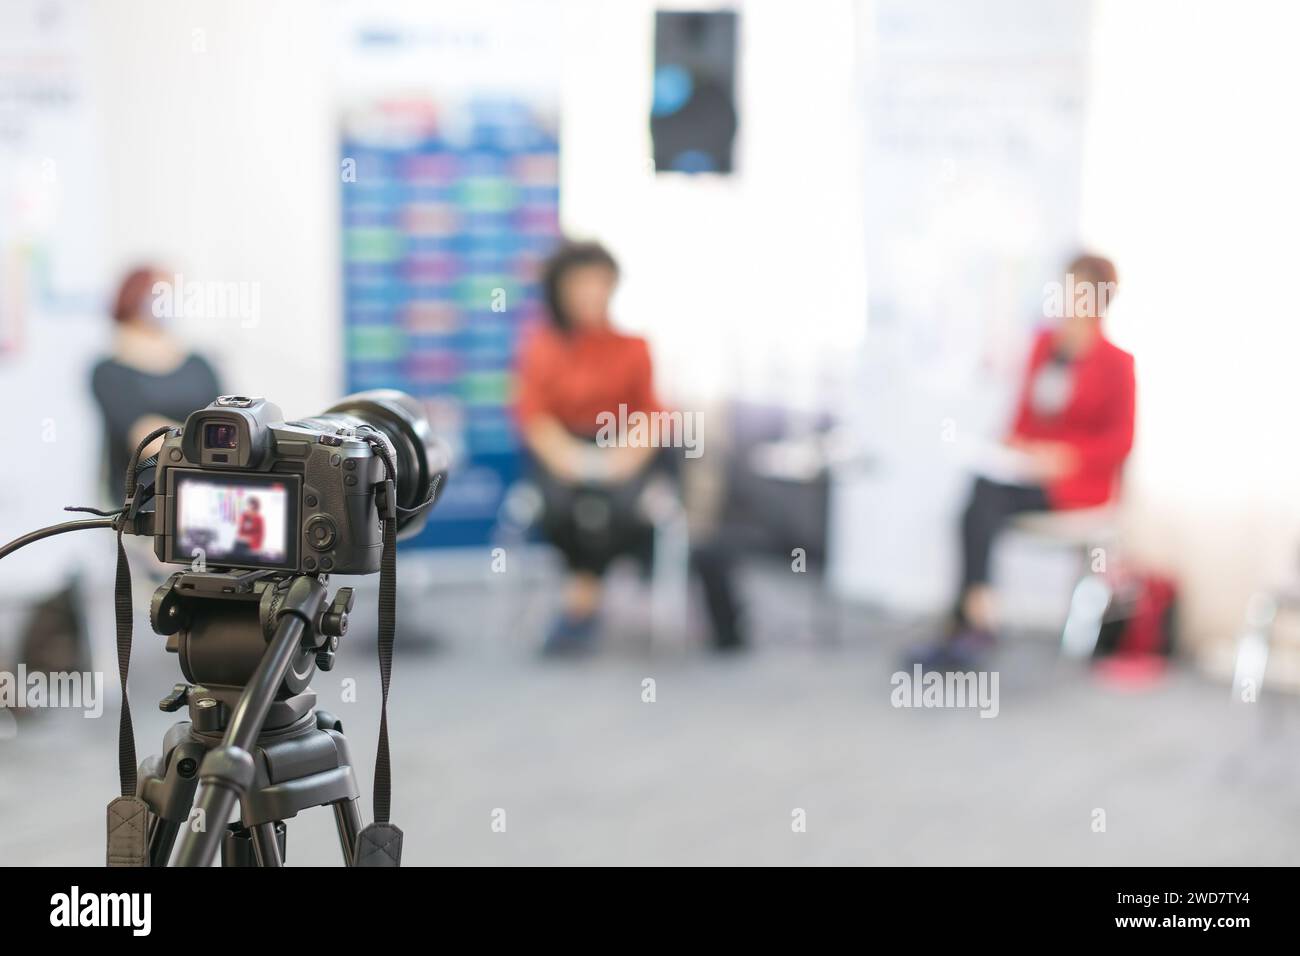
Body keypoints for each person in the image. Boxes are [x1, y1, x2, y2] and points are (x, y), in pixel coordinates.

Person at [514, 240, 743, 653]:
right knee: (566, 505)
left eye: (599, 283)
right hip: (564, 459)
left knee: (623, 504)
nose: (590, 293)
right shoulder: (542, 347)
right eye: (580, 284)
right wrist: (576, 460)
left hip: (625, 454)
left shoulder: (632, 347)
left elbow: (651, 416)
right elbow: (535, 419)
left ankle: (582, 603)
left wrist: (620, 458)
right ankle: (584, 597)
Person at [921, 253, 1135, 670]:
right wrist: (1013, 444)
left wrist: (1067, 457)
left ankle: (971, 620)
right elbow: (1023, 418)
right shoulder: (1042, 346)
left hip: (1078, 485)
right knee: (980, 494)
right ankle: (976, 615)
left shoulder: (1117, 363)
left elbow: (1121, 441)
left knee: (983, 501)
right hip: (1026, 474)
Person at [91, 265, 222, 505]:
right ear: (135, 298)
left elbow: (227, 422)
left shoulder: (199, 363)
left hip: (206, 495)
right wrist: (215, 447)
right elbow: (148, 437)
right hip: (145, 502)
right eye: (159, 294)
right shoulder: (109, 372)